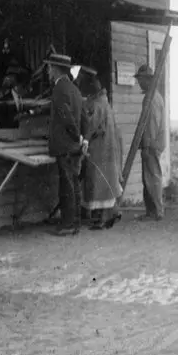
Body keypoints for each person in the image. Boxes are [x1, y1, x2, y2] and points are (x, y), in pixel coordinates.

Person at [45, 53, 86, 237]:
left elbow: (65, 116)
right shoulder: (75, 89)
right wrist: (82, 138)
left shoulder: (59, 88)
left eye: (49, 68)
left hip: (66, 146)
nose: (47, 71)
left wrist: (76, 135)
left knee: (67, 185)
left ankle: (68, 224)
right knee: (74, 184)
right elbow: (84, 117)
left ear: (55, 69)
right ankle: (75, 222)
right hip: (74, 146)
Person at [79, 70, 123, 230]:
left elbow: (91, 126)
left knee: (98, 181)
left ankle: (104, 218)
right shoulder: (105, 102)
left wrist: (85, 139)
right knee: (107, 181)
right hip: (108, 148)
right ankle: (112, 212)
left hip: (100, 149)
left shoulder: (97, 105)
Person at [134, 63, 166, 222]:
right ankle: (152, 211)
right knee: (150, 176)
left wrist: (147, 145)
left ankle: (156, 212)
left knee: (152, 177)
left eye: (140, 79)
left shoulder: (151, 98)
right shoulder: (153, 95)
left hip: (151, 143)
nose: (139, 82)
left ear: (147, 79)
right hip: (152, 142)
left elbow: (151, 124)